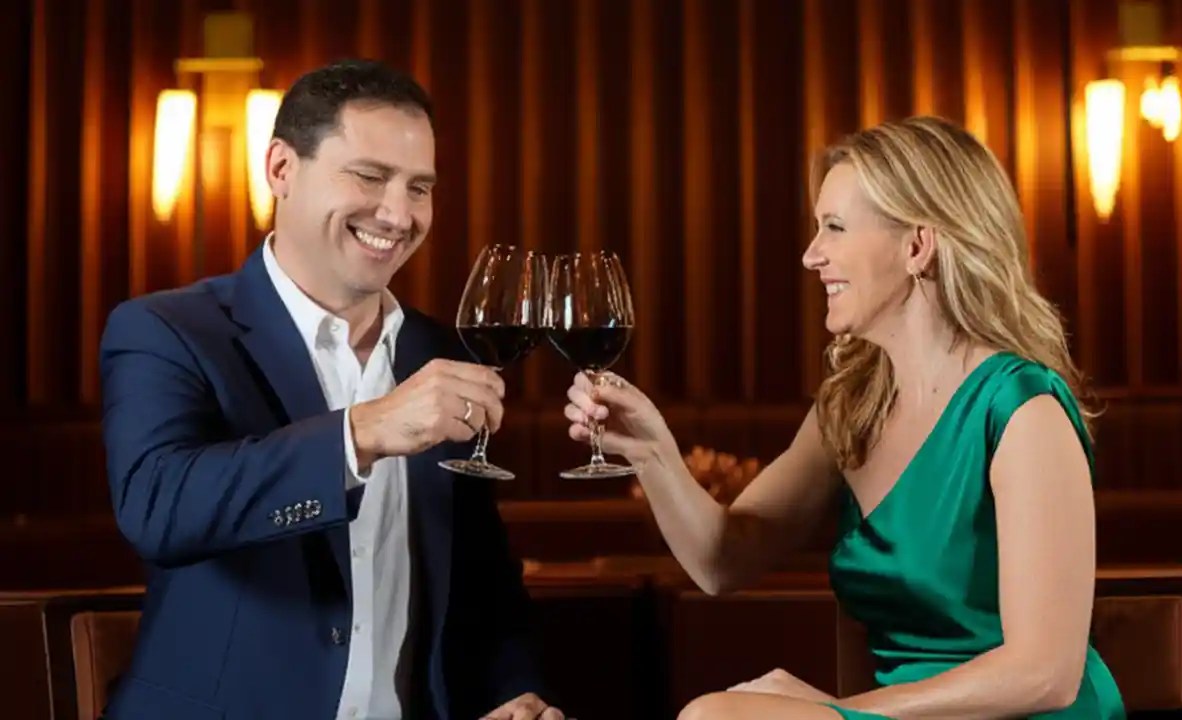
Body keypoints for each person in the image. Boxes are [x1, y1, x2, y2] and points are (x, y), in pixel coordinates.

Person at [564, 116, 1125, 719]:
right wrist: (653, 454)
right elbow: (725, 560)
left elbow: (1046, 674)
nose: (811, 256)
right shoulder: (852, 404)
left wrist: (842, 713)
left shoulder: (1020, 407)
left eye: (833, 228)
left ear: (917, 245)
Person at [99, 59, 564, 720]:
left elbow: (480, 580)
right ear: (281, 169)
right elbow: (160, 507)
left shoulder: (441, 354)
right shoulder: (163, 330)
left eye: (420, 187)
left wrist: (511, 692)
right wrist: (362, 432)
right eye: (370, 177)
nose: (399, 214)